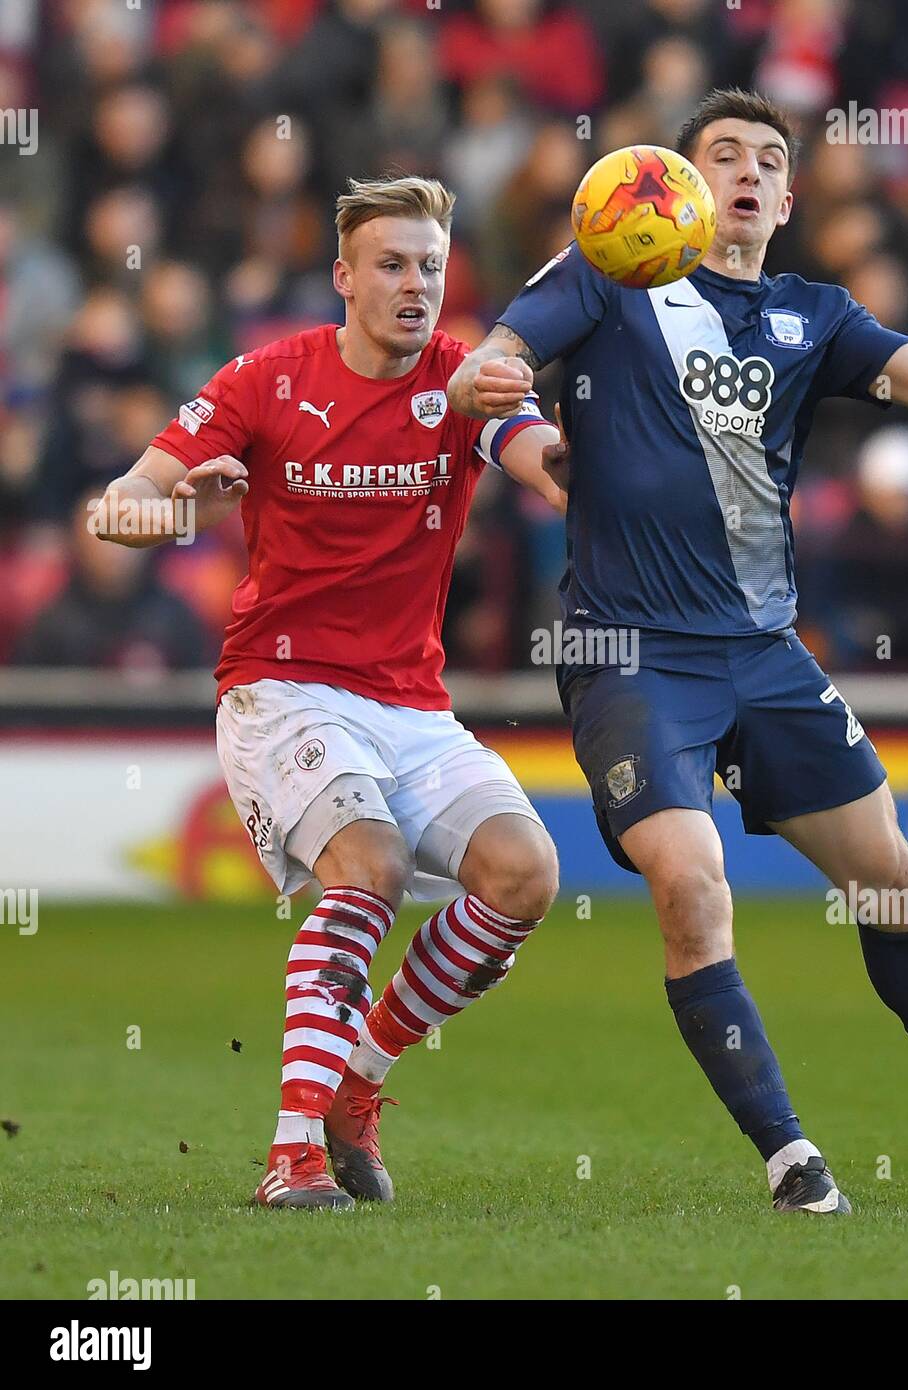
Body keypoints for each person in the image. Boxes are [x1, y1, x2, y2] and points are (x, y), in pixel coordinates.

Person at [449, 88, 908, 1213]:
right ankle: (791, 1158)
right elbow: (492, 353)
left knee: (892, 886)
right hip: (630, 652)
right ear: (676, 184)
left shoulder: (812, 314)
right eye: (719, 153)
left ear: (786, 198)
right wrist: (492, 380)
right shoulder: (606, 273)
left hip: (763, 650)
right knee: (692, 887)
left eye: (765, 158)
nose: (744, 169)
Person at [96, 175, 565, 1210]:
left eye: (430, 268)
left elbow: (541, 458)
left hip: (410, 702)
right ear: (343, 276)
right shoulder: (265, 380)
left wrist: (591, 460)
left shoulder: (464, 381)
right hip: (281, 687)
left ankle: (361, 1078)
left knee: (524, 874)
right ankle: (292, 1151)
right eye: (391, 265)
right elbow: (123, 498)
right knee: (370, 865)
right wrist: (161, 515)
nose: (413, 286)